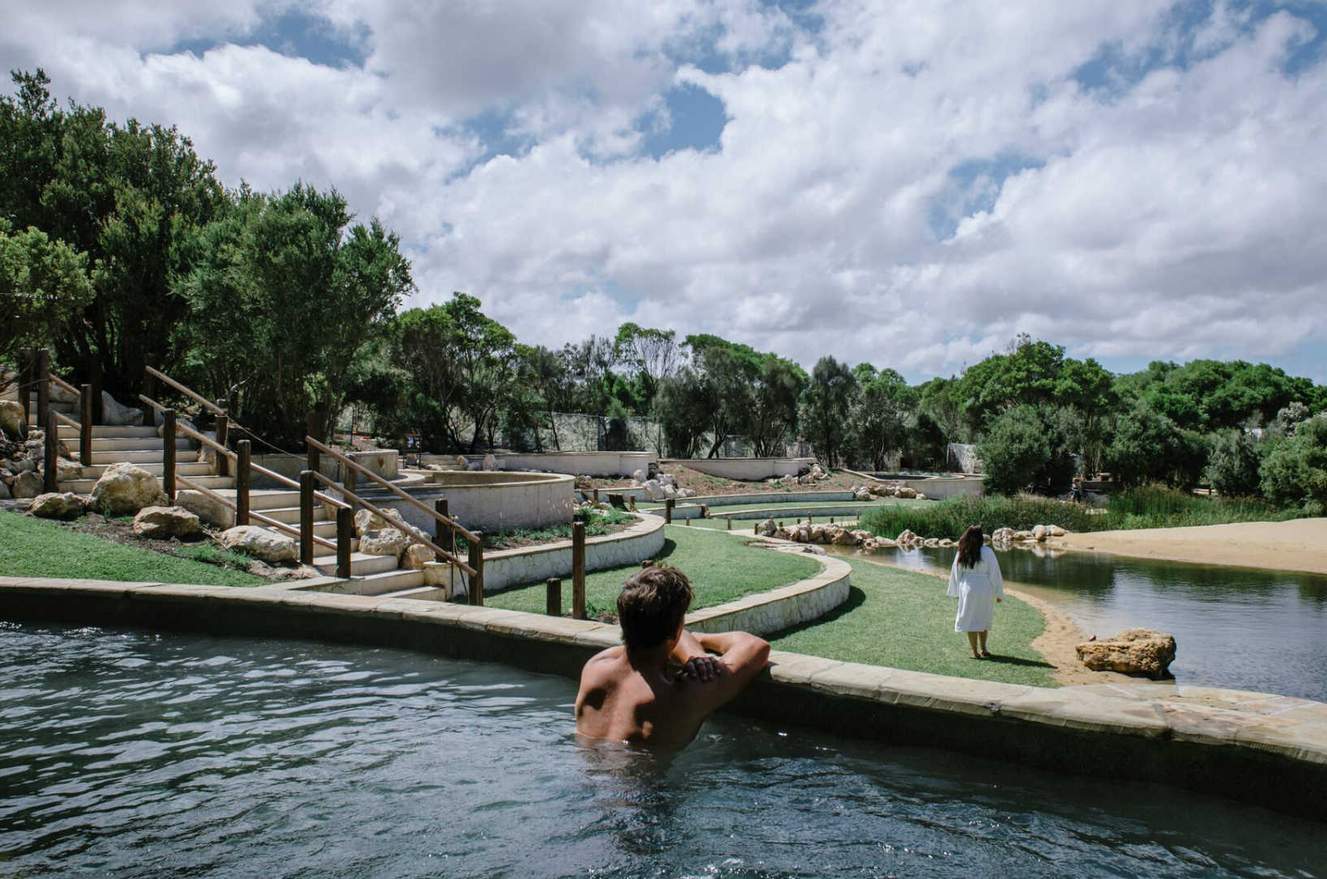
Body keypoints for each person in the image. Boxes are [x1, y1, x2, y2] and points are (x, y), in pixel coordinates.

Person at [574, 565, 771, 748]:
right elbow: (756, 646)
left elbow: (657, 639)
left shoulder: (595, 667)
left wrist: (693, 651)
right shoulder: (684, 694)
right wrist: (697, 651)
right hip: (647, 777)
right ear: (676, 629)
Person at [947, 525, 1004, 659]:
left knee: (970, 619)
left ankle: (974, 651)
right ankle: (984, 649)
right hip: (984, 587)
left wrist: (956, 591)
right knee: (983, 618)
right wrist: (998, 593)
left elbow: (956, 572)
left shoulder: (963, 551)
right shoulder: (988, 552)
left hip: (967, 588)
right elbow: (994, 573)